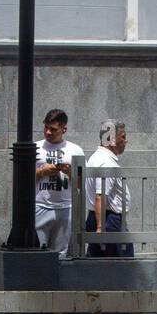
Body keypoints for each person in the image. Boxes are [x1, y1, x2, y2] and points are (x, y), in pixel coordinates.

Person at [34, 109, 83, 258]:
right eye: (46, 128)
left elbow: (82, 184)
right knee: (37, 252)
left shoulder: (75, 150)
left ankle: (55, 281)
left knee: (60, 255)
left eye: (53, 129)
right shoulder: (35, 148)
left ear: (64, 129)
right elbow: (21, 180)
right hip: (40, 205)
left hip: (65, 207)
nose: (48, 132)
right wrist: (42, 172)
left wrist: (70, 173)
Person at [84, 119, 133, 258]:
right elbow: (100, 196)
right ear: (111, 139)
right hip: (109, 221)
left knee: (97, 265)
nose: (126, 141)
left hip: (100, 218)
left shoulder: (96, 157)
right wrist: (101, 228)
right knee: (122, 266)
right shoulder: (106, 162)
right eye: (123, 136)